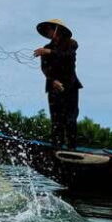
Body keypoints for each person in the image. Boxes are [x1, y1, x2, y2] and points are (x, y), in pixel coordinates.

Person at [34, 19, 83, 150]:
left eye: (49, 29)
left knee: (70, 119)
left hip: (70, 85)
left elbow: (68, 57)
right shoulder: (46, 48)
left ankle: (72, 148)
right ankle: (56, 148)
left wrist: (49, 52)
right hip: (53, 86)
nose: (47, 32)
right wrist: (52, 80)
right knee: (56, 120)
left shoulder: (71, 44)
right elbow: (45, 68)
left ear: (57, 29)